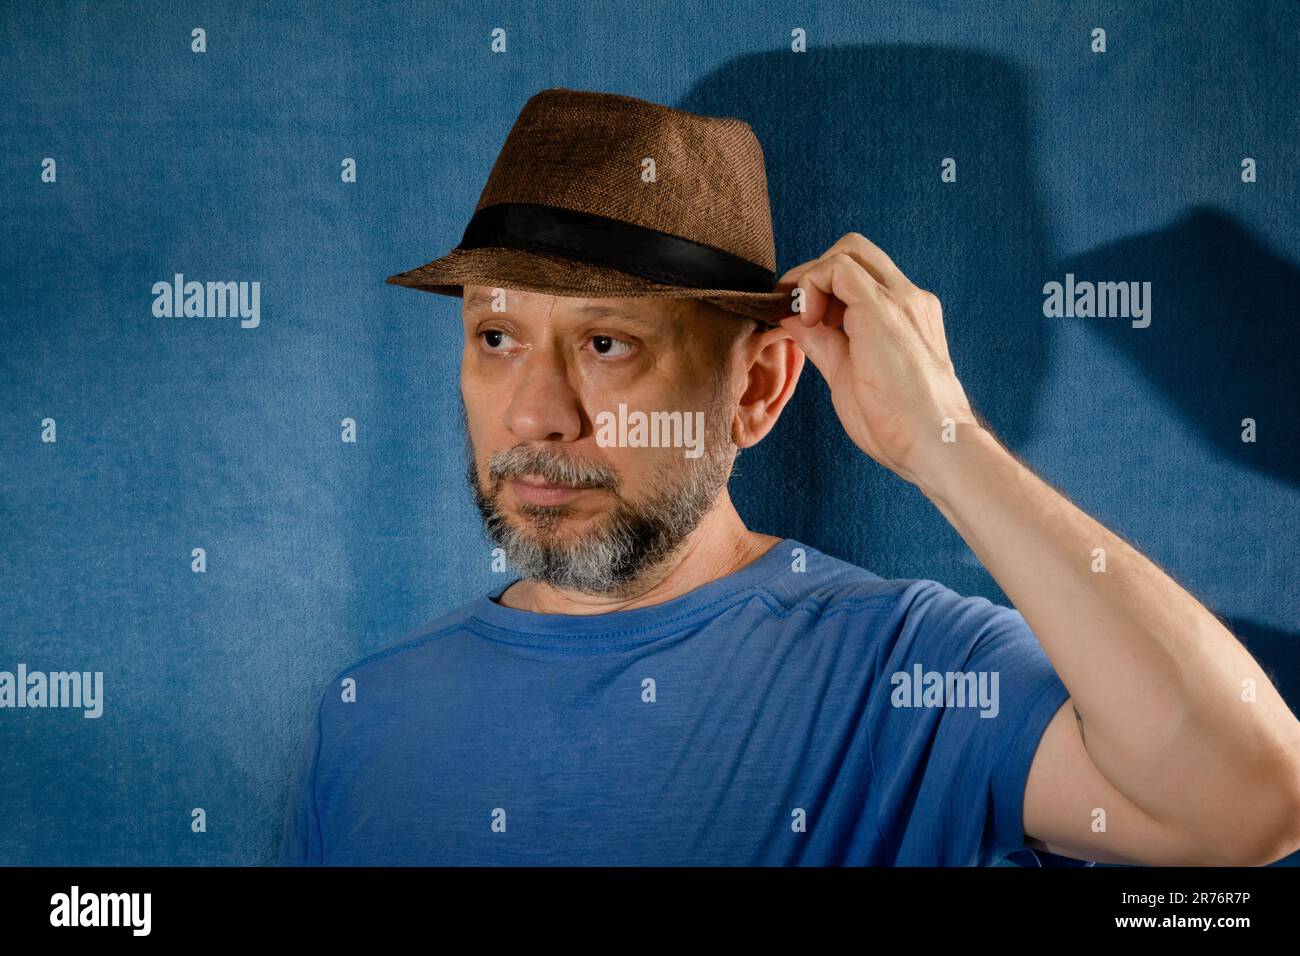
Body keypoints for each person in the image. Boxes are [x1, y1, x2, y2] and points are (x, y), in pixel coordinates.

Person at [280, 88, 1300, 866]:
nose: (536, 412)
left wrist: (942, 443)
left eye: (605, 343)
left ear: (759, 386)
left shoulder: (910, 675)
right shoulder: (364, 713)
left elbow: (1251, 798)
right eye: (496, 335)